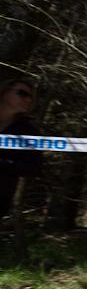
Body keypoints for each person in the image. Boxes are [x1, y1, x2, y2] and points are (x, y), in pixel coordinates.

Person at [0, 78, 43, 217]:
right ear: (4, 92)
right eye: (22, 93)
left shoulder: (29, 132)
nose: (28, 100)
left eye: (31, 97)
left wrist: (3, 163)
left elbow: (34, 168)